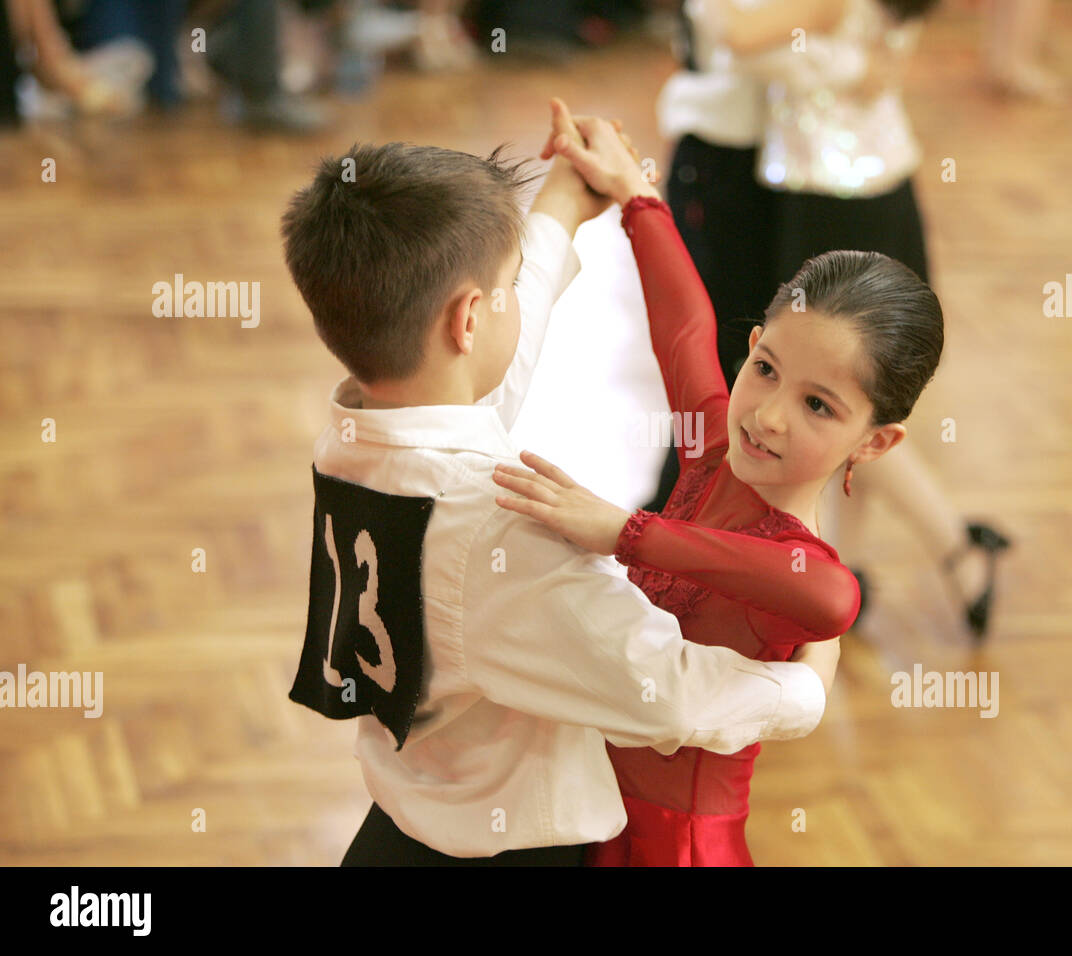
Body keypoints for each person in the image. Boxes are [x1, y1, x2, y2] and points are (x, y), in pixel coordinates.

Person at [280, 101, 837, 866]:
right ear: (470, 319)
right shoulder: (504, 533)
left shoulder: (356, 431)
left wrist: (563, 209)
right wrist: (802, 691)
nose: (522, 295)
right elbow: (663, 690)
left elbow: (478, 377)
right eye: (509, 285)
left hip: (397, 831)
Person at [493, 100, 941, 866]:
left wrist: (624, 533)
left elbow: (834, 601)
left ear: (877, 441)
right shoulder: (710, 447)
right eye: (764, 369)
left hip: (679, 848)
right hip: (581, 807)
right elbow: (685, 329)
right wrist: (635, 195)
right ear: (756, 343)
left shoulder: (806, 566)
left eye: (817, 406)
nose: (767, 416)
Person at [656, 0, 1011, 641]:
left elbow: (737, 31)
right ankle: (854, 571)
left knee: (844, 411)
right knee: (844, 404)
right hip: (845, 192)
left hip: (841, 203)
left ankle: (955, 548)